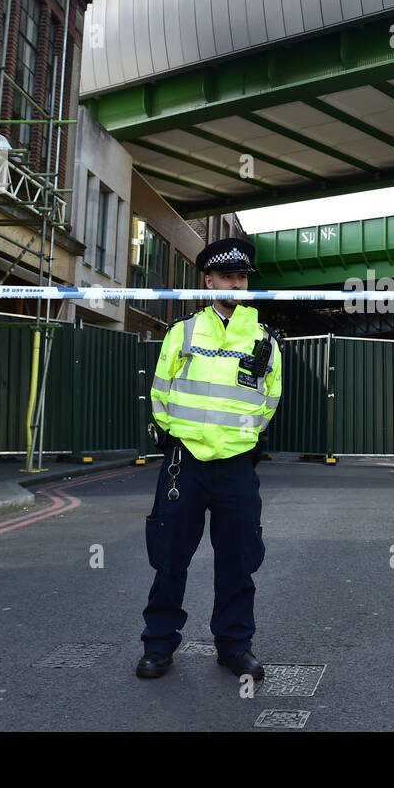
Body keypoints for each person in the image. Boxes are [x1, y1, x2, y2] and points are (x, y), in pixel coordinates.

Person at [136, 237, 282, 681]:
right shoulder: (181, 333)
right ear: (208, 280)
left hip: (237, 464)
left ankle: (234, 646)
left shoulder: (264, 340)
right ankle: (159, 646)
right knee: (170, 556)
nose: (235, 284)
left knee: (238, 558)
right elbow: (160, 393)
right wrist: (180, 437)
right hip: (186, 459)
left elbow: (269, 400)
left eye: (241, 277)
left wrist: (241, 442)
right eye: (226, 276)